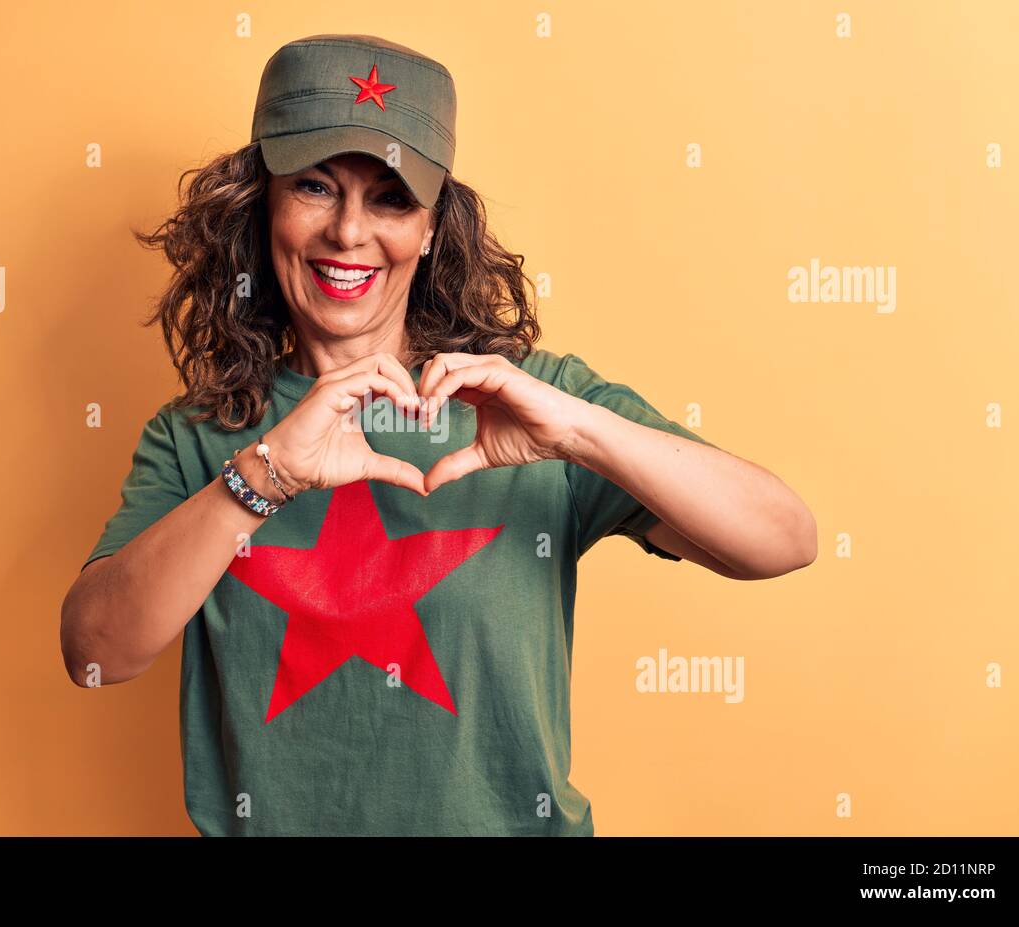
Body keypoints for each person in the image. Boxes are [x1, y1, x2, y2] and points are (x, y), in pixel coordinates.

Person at [60, 33, 816, 836]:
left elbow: (783, 538)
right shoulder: (202, 435)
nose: (348, 233)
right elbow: (95, 652)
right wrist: (266, 474)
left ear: (431, 228)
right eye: (315, 186)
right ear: (264, 204)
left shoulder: (534, 407)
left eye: (390, 198)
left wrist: (582, 433)